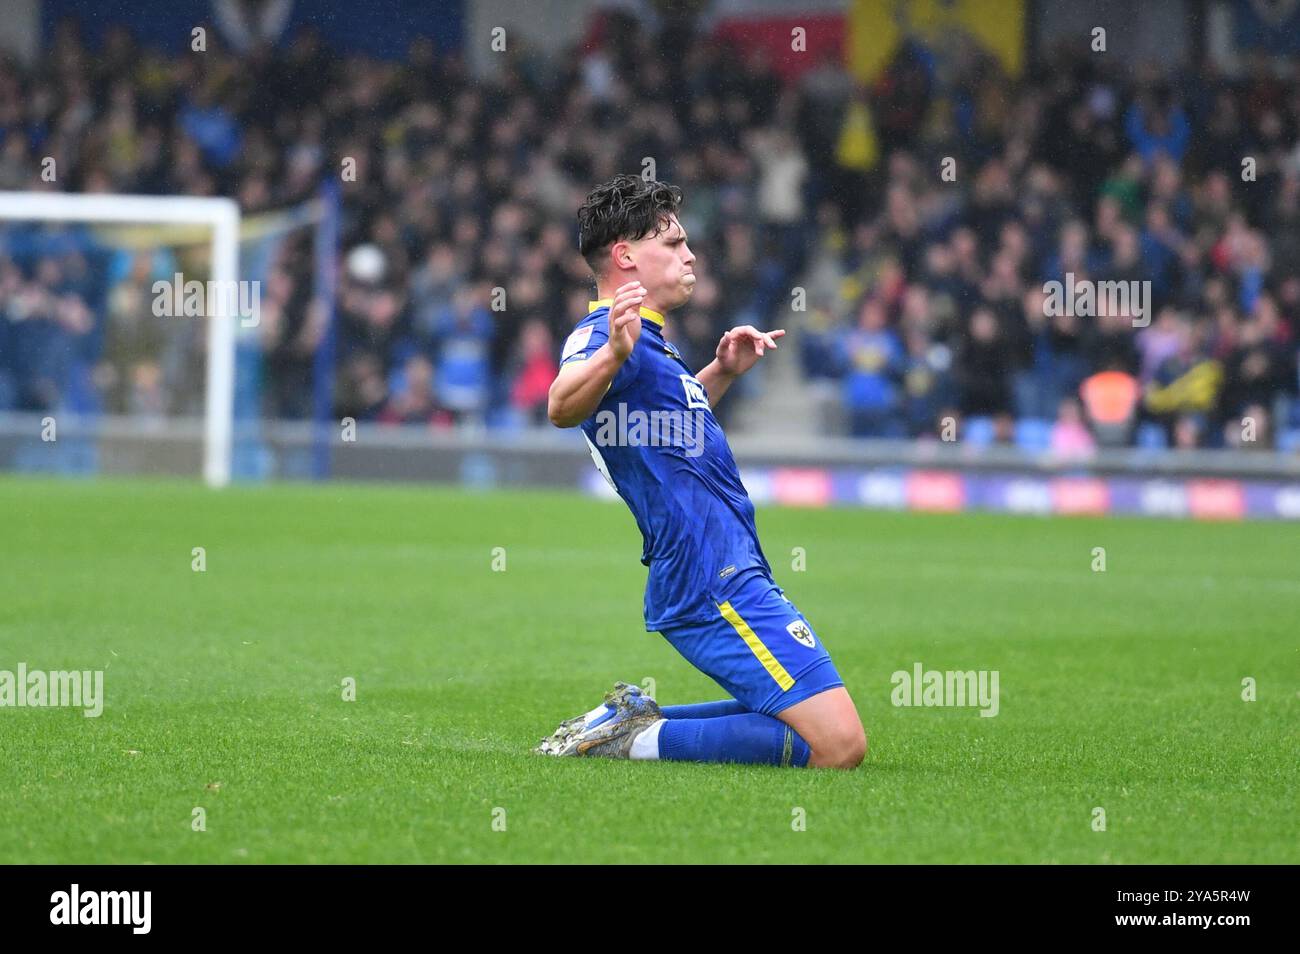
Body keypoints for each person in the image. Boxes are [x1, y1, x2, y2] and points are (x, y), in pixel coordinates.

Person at [536, 175, 866, 769]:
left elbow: (666, 438)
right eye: (675, 243)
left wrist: (718, 374)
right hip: (709, 573)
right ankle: (635, 741)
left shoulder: (650, 344)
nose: (691, 255)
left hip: (728, 563)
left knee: (801, 723)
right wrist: (613, 351)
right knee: (837, 746)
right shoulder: (605, 334)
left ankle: (627, 724)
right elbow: (561, 405)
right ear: (626, 255)